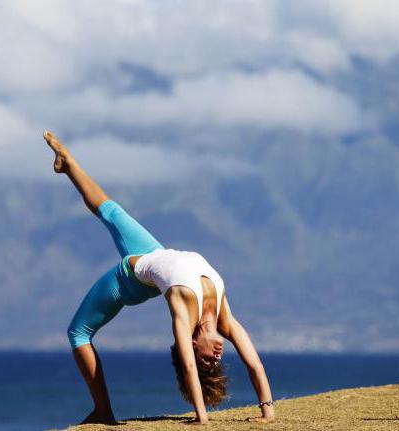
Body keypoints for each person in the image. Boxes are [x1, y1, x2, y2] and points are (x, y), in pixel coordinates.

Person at [43, 130, 275, 425]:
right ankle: (68, 163)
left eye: (207, 359)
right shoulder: (222, 316)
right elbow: (254, 362)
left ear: (191, 345)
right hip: (155, 252)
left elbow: (189, 367)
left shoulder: (184, 309)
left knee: (78, 333)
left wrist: (201, 418)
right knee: (111, 211)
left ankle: (102, 410)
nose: (215, 357)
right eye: (215, 361)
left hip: (130, 278)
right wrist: (268, 411)